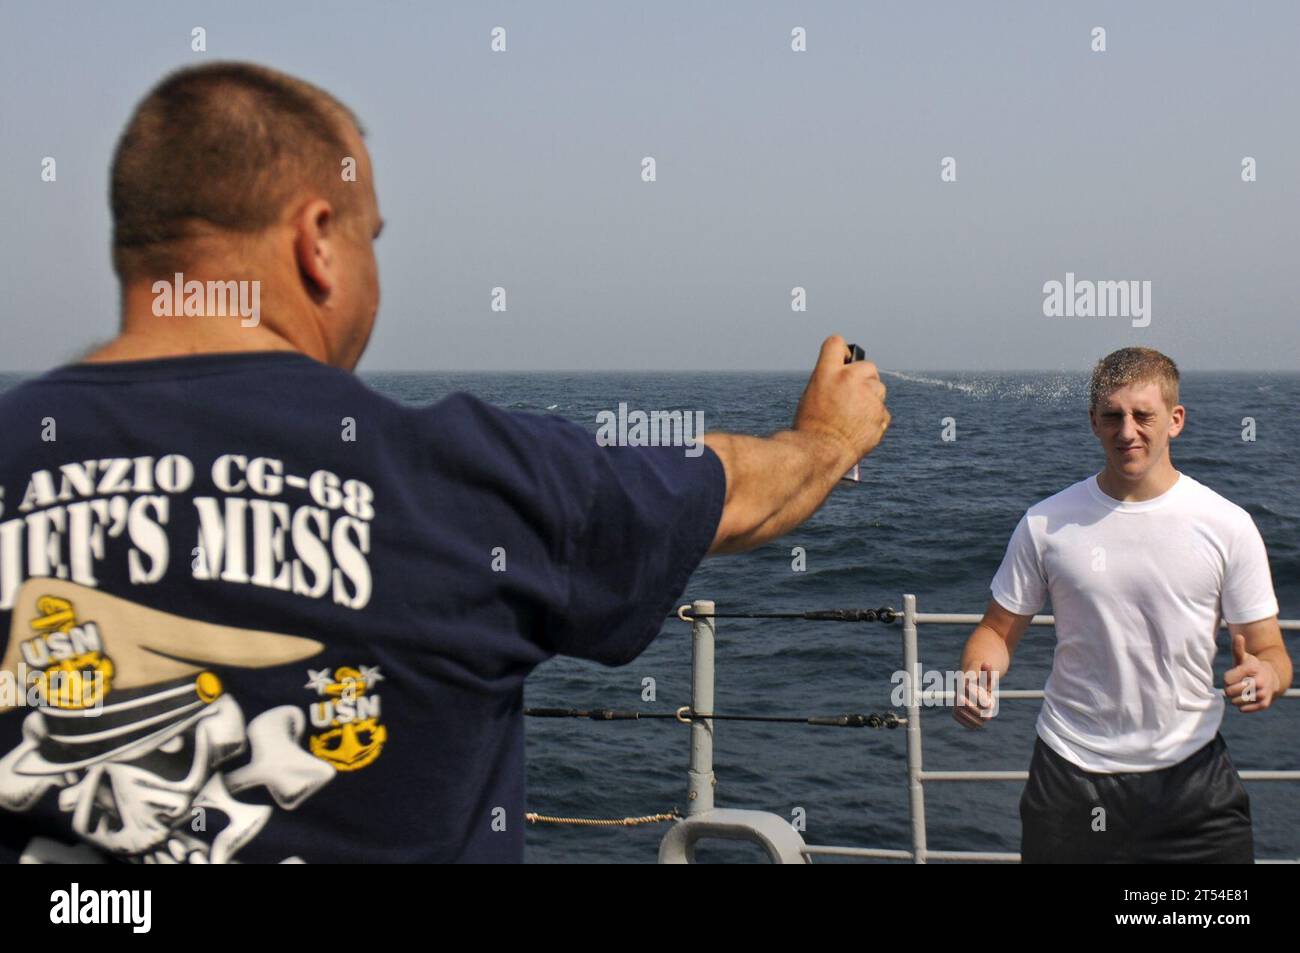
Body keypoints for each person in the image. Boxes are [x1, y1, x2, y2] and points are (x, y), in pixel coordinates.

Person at [0, 62, 889, 863]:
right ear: (316, 240)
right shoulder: (467, 481)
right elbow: (736, 495)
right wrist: (828, 438)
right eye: (369, 237)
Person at [953, 346, 1292, 863]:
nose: (1127, 430)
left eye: (1143, 415)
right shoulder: (1045, 523)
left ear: (1175, 420)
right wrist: (978, 673)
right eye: (1112, 416)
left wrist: (1266, 675)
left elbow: (1270, 650)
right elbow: (997, 632)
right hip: (1070, 777)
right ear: (1093, 422)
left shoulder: (1227, 525)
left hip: (1194, 785)